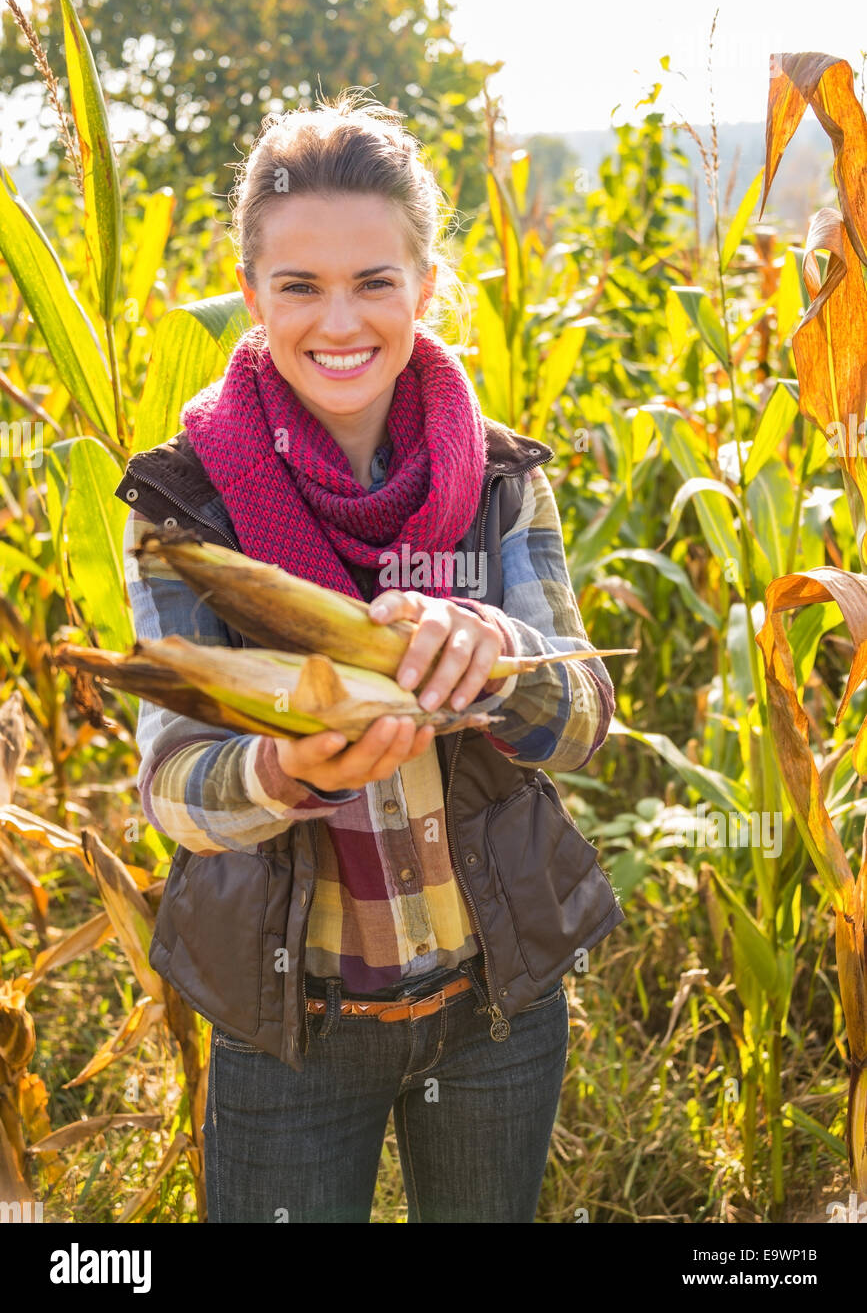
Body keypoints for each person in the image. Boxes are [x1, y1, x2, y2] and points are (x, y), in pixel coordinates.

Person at [117, 91, 625, 1224]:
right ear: (250, 296)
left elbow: (586, 719)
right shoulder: (180, 509)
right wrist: (292, 774)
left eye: (374, 281)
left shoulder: (499, 477)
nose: (337, 320)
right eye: (299, 285)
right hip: (291, 1028)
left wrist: (498, 654)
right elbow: (174, 792)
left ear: (425, 288)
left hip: (493, 1005)